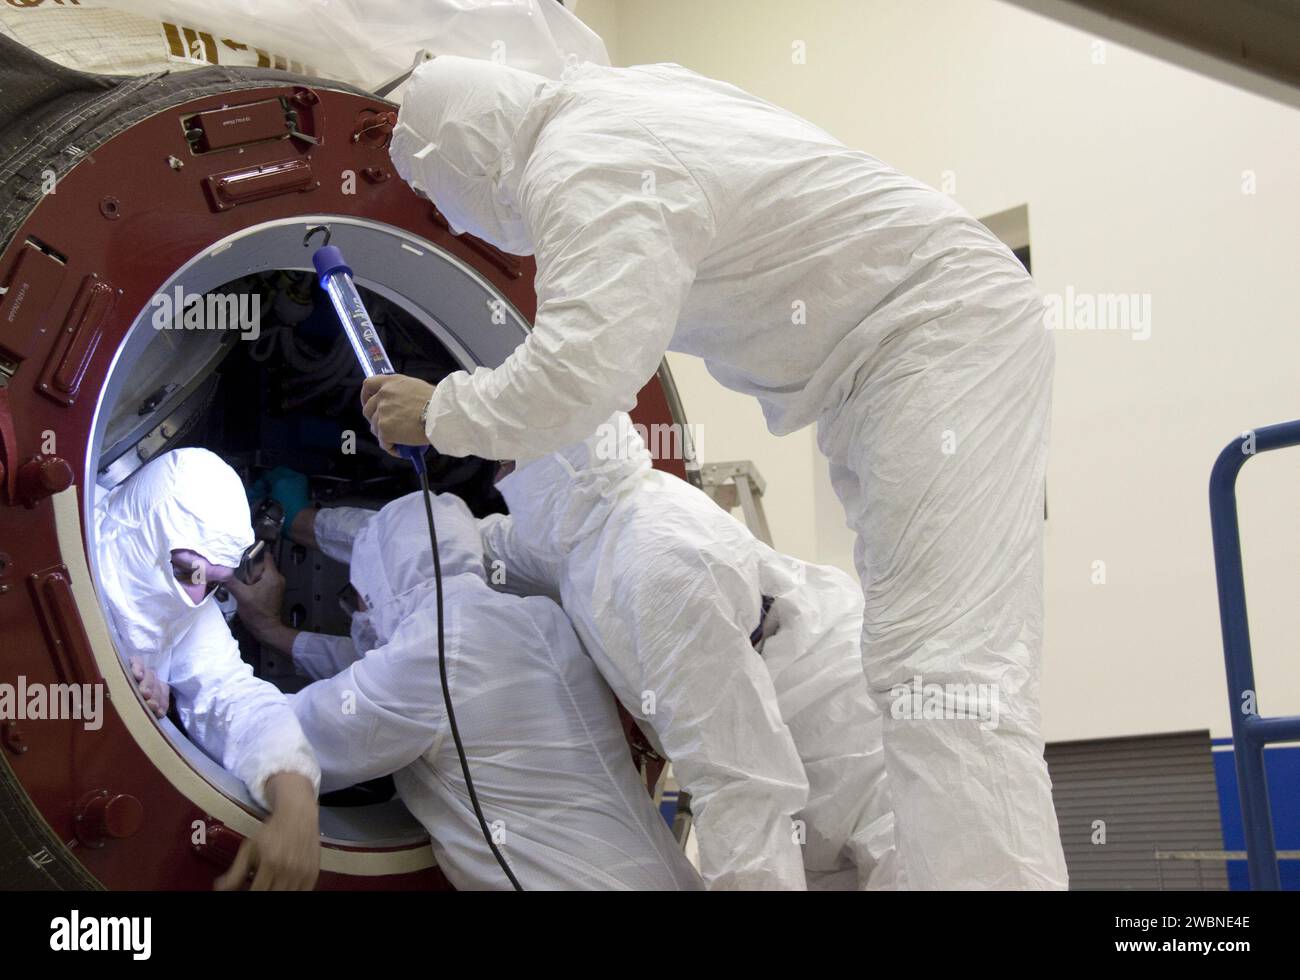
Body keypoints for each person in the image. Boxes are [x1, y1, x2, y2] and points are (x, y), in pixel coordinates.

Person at [359, 56, 1066, 888]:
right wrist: (321, 528)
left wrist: (440, 412)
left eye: (444, 199)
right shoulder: (620, 100)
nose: (458, 221)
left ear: (467, 160)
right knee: (930, 674)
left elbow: (579, 372)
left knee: (943, 674)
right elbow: (502, 534)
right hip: (883, 362)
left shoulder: (585, 158)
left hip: (928, 338)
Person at [481, 415, 897, 890]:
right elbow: (494, 548)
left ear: (547, 454)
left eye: (502, 457)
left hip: (860, 765)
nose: (496, 476)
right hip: (809, 774)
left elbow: (739, 786)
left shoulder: (654, 559)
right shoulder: (590, 526)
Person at [230, 490, 703, 891]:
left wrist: (201, 662)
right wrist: (274, 632)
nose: (357, 615)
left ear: (377, 592)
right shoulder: (538, 618)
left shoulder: (431, 656)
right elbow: (394, 679)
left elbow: (294, 729)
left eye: (355, 600)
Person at [94, 448, 321, 890]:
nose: (198, 598)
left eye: (213, 582)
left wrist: (294, 792)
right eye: (184, 572)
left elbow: (231, 695)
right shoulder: (62, 544)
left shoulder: (188, 616)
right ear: (147, 532)